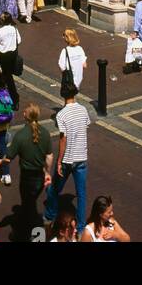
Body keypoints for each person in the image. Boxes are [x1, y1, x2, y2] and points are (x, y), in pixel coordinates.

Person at [44, 80, 92, 231]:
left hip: (67, 159)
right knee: (82, 194)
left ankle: (50, 215)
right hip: (82, 157)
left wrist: (59, 161)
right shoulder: (83, 110)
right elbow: (85, 126)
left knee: (55, 189)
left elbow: (63, 139)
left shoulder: (61, 114)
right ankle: (81, 226)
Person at [8, 103, 53, 240]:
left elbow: (10, 155)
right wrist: (47, 172)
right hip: (39, 176)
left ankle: (34, 235)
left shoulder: (20, 135)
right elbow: (49, 156)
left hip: (27, 177)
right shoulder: (44, 133)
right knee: (30, 203)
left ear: (26, 116)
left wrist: (0, 161)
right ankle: (31, 232)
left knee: (29, 207)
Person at [0, 13, 22, 106]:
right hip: (14, 54)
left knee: (8, 77)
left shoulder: (0, 31)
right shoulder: (14, 29)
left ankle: (14, 98)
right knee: (6, 75)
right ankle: (4, 93)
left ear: (3, 20)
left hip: (5, 56)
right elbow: (19, 41)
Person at [57, 28, 87, 96]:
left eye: (64, 35)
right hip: (78, 79)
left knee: (68, 97)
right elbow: (85, 65)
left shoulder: (65, 51)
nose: (62, 37)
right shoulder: (80, 49)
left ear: (67, 38)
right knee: (74, 96)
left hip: (69, 81)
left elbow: (62, 67)